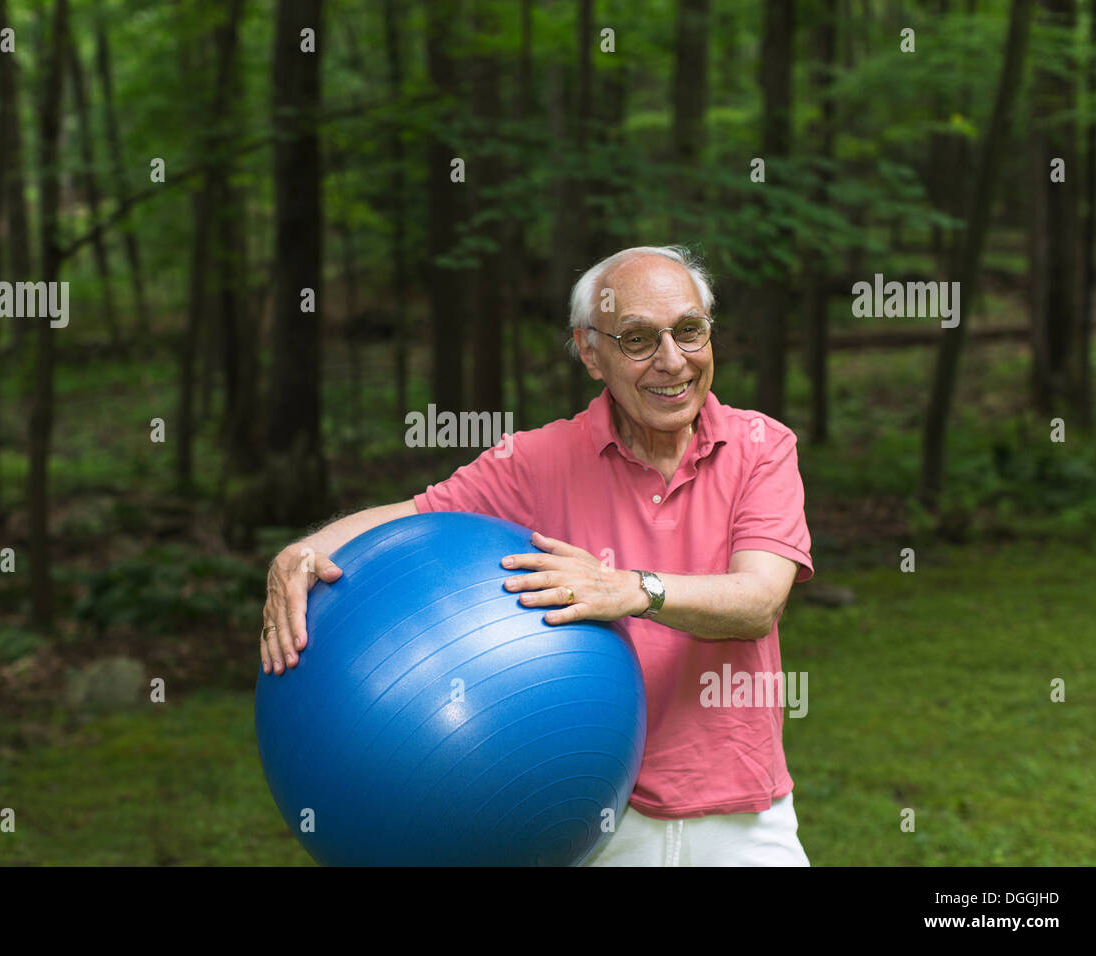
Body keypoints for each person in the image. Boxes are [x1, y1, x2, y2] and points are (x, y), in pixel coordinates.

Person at [261, 244, 812, 866]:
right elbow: (414, 516)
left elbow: (758, 601)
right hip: (592, 817)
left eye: (689, 331)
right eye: (637, 339)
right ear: (589, 352)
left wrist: (629, 589)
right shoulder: (536, 461)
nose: (672, 360)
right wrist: (301, 552)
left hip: (743, 818)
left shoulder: (762, 447)